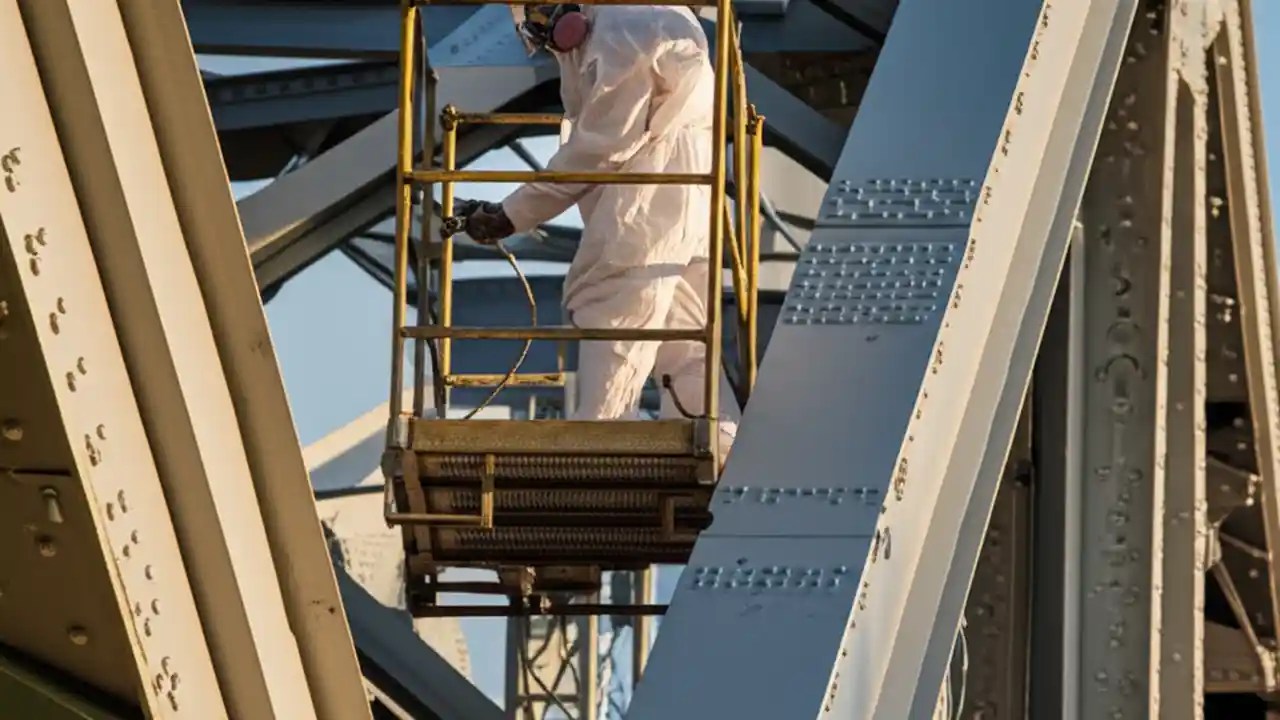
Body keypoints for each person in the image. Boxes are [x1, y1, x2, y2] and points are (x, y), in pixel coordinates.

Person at [459, 4, 740, 459]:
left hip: (652, 186)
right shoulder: (633, 21)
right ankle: (721, 441)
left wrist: (512, 213)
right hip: (681, 185)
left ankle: (603, 436)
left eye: (539, 11)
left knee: (611, 300)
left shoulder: (622, 28)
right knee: (679, 330)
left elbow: (601, 145)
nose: (543, 27)